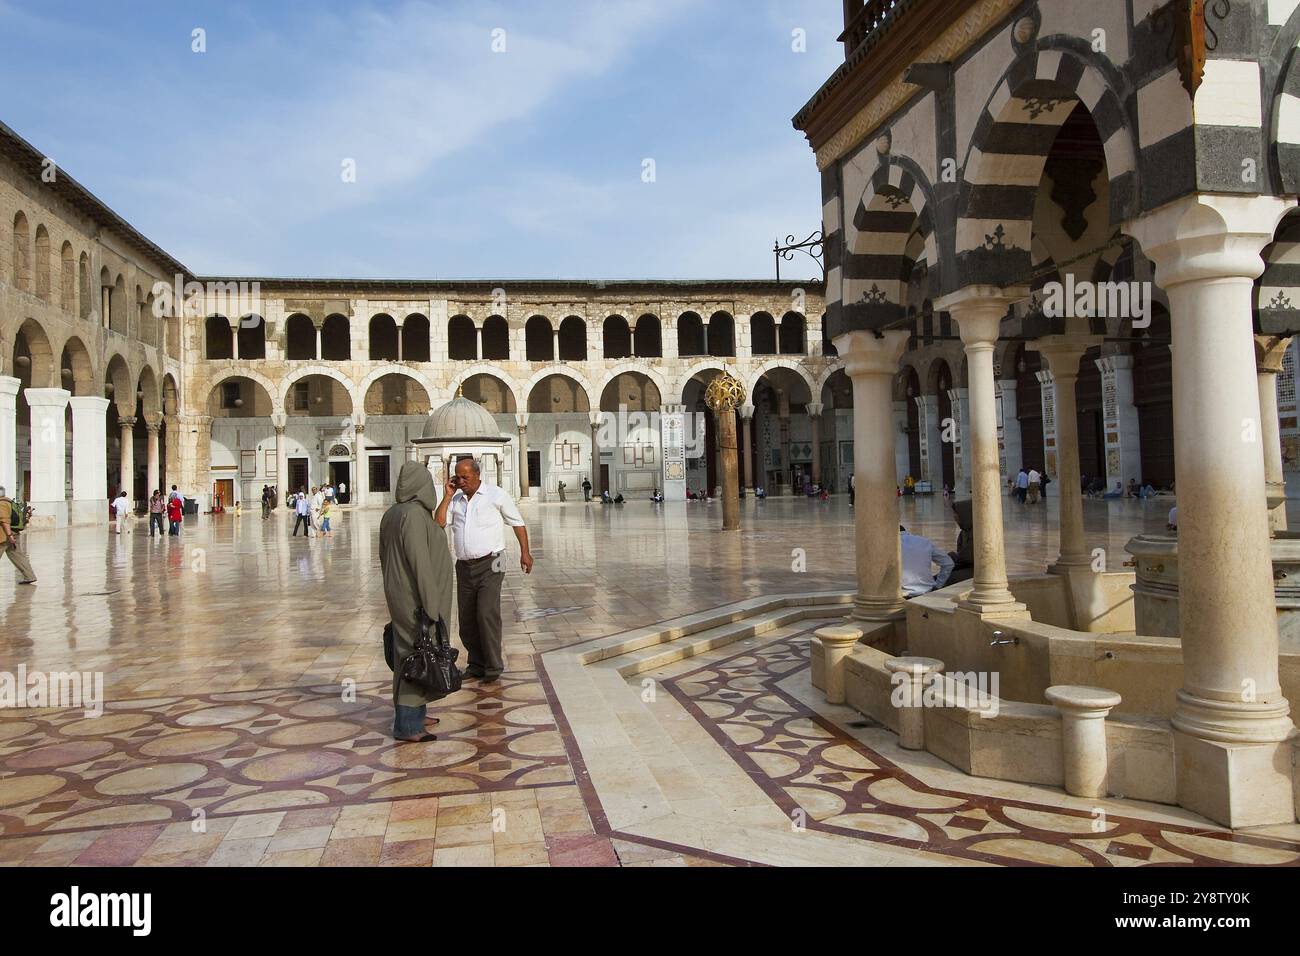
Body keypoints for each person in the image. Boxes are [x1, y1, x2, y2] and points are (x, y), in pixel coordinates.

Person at [435, 457, 533, 685]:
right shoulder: (456, 499)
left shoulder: (496, 495)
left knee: (486, 613)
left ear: (477, 475)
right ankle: (476, 664)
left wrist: (525, 553)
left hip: (493, 561)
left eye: (465, 477)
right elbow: (439, 522)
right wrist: (448, 495)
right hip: (464, 566)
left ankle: (493, 666)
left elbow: (518, 523)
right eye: (457, 477)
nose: (460, 481)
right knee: (467, 618)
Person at [380, 460, 455, 743]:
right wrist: (431, 604)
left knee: (413, 654)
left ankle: (418, 712)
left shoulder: (395, 513)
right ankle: (408, 725)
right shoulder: (411, 515)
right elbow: (420, 563)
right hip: (416, 600)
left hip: (402, 594)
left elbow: (384, 556)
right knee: (416, 653)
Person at [900, 525, 955, 597]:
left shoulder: (889, 543)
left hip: (902, 595)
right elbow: (948, 563)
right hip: (927, 591)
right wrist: (938, 585)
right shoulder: (924, 541)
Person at [0, 486, 36, 585]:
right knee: (17, 556)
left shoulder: (2, 504)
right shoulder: (9, 502)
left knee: (17, 555)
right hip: (14, 533)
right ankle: (30, 576)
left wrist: (9, 535)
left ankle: (29, 576)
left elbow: (5, 520)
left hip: (5, 535)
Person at [947, 499, 974, 585]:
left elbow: (968, 557)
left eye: (957, 514)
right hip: (965, 567)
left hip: (976, 571)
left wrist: (953, 557)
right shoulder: (964, 533)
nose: (954, 517)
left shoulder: (976, 533)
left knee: (947, 579)